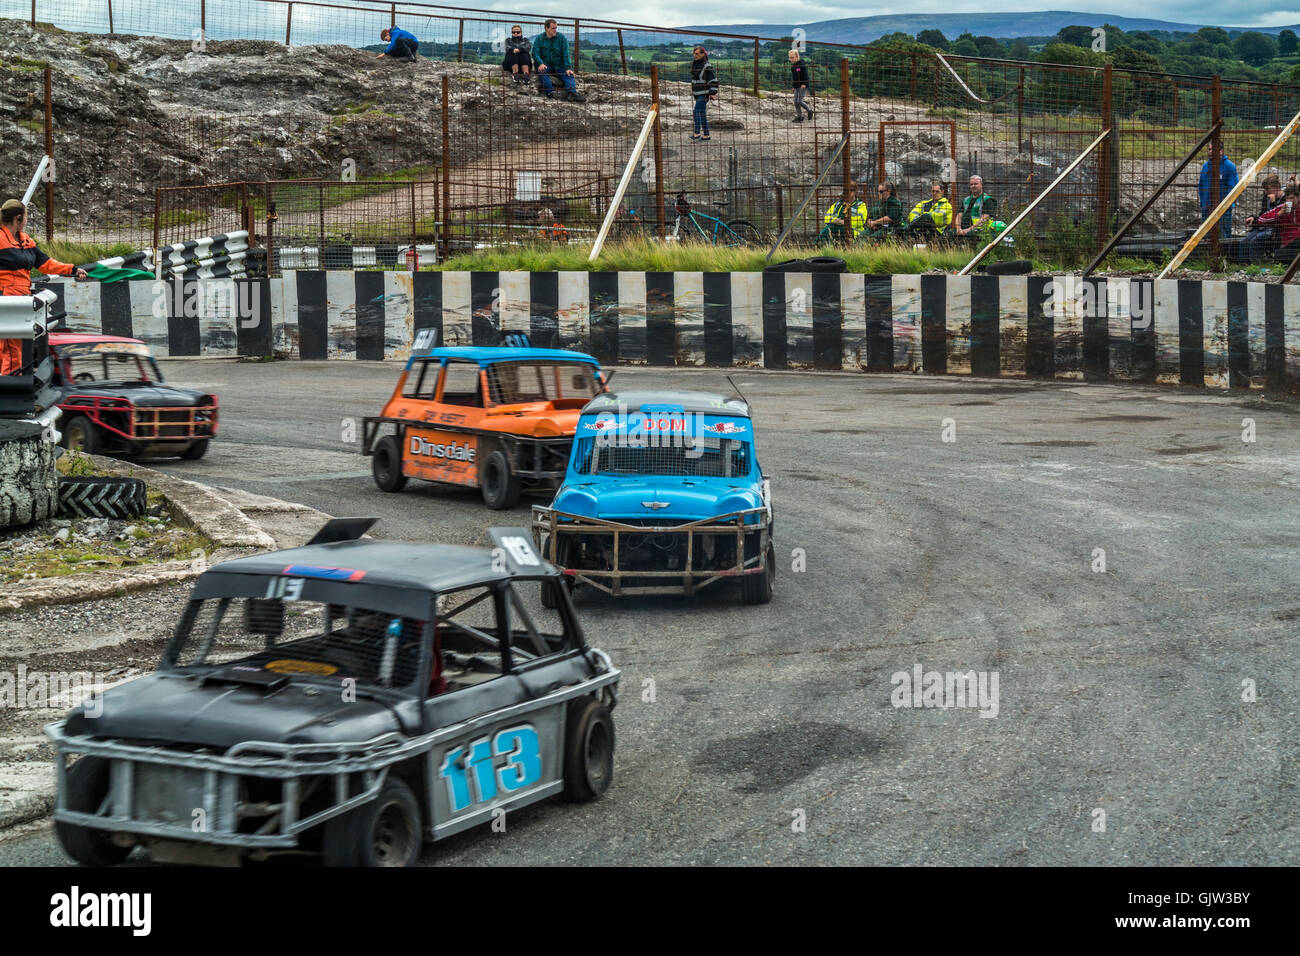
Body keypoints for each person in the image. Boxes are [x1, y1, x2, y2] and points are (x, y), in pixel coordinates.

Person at [0, 199, 86, 376]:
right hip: (7, 299)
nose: (26, 220)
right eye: (25, 217)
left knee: (16, 348)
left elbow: (46, 263)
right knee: (10, 350)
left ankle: (14, 387)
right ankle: (10, 393)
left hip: (22, 300)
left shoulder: (26, 241)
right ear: (18, 218)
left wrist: (72, 269)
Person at [533, 19, 584, 102]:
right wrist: (540, 63)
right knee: (542, 70)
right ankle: (550, 92)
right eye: (553, 28)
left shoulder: (561, 38)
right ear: (546, 28)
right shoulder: (539, 39)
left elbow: (566, 53)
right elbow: (535, 53)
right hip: (545, 64)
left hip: (559, 65)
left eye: (556, 28)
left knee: (568, 74)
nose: (555, 30)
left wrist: (568, 67)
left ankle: (572, 94)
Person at [1252, 183, 1300, 259]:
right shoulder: (1281, 208)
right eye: (1287, 198)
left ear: (1298, 198)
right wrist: (1278, 214)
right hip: (1286, 242)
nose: (1289, 201)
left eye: (1292, 198)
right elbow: (1261, 219)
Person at [1242, 174, 1284, 262]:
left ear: (1276, 187)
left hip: (1275, 229)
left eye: (1268, 189)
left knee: (1255, 241)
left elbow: (1277, 217)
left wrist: (1273, 203)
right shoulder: (1267, 197)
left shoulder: (1285, 199)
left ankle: (1255, 266)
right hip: (1264, 226)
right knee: (1245, 241)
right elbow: (1264, 213)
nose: (1266, 192)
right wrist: (1254, 218)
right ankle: (1243, 266)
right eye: (1265, 189)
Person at [1199, 151, 1239, 239]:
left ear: (1220, 151)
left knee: (1223, 235)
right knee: (1207, 235)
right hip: (1207, 208)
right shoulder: (1206, 166)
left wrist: (1224, 205)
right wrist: (1203, 203)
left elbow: (1232, 188)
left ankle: (1225, 252)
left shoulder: (1229, 166)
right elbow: (1201, 185)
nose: (1210, 151)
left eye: (1212, 149)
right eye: (1209, 149)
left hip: (1223, 209)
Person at [954, 175, 997, 240]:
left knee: (969, 236)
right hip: (964, 229)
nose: (973, 186)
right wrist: (958, 228)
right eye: (971, 184)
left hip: (980, 229)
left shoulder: (987, 200)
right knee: (950, 234)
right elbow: (959, 215)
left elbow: (985, 218)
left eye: (976, 184)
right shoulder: (966, 200)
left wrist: (968, 230)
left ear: (981, 185)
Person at [690, 46, 719, 141]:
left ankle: (697, 133)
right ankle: (706, 135)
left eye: (697, 53)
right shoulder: (695, 64)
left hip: (704, 93)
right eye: (694, 53)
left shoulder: (707, 66)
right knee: (702, 113)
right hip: (697, 94)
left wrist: (713, 92)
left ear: (703, 54)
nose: (695, 55)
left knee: (696, 111)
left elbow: (712, 79)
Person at [788, 49, 812, 123]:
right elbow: (794, 77)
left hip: (803, 85)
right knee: (795, 102)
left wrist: (804, 83)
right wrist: (793, 86)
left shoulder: (801, 64)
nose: (791, 59)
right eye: (790, 57)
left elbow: (805, 75)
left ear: (797, 57)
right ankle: (799, 117)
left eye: (792, 57)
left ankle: (809, 110)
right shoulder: (793, 66)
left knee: (799, 101)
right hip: (796, 86)